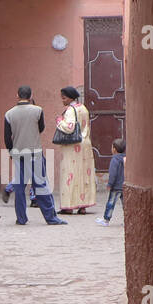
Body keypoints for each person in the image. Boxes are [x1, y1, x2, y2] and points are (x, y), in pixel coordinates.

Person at [4, 85, 67, 226]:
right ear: (31, 95)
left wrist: (11, 152)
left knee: (19, 187)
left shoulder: (9, 114)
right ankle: (50, 217)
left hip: (18, 153)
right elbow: (41, 128)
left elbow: (7, 138)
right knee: (41, 184)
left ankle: (21, 218)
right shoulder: (38, 110)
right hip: (35, 152)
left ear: (17, 95)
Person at [54, 85, 95, 214]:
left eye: (64, 97)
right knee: (84, 175)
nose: (62, 100)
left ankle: (69, 206)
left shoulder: (71, 110)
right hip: (85, 144)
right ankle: (83, 205)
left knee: (70, 174)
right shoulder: (83, 108)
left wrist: (59, 121)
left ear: (70, 97)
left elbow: (69, 127)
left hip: (72, 147)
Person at [97, 138, 125, 226]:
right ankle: (127, 220)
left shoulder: (114, 160)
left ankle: (106, 220)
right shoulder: (125, 158)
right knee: (126, 205)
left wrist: (110, 184)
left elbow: (113, 173)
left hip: (116, 187)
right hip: (124, 186)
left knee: (110, 203)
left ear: (114, 149)